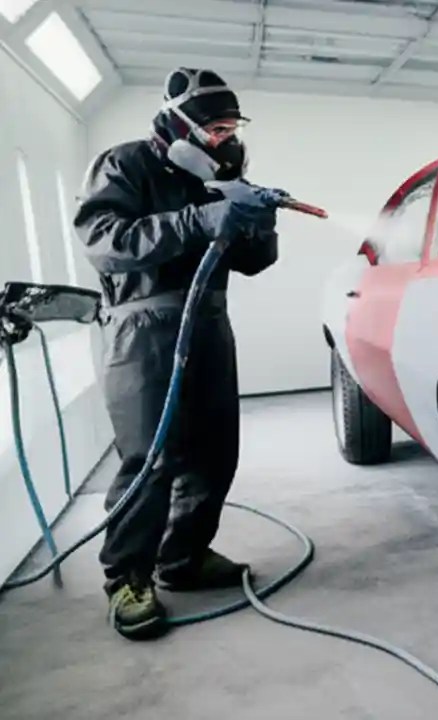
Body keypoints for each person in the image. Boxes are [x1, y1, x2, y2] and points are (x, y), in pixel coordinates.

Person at [74, 68, 280, 640]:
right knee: (151, 460)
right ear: (181, 124)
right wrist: (200, 218)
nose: (223, 139)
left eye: (230, 128)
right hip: (143, 328)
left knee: (215, 452)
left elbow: (254, 262)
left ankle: (182, 559)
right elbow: (107, 243)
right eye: (214, 128)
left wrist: (256, 225)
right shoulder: (124, 165)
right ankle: (128, 580)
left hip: (209, 321)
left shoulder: (222, 170)